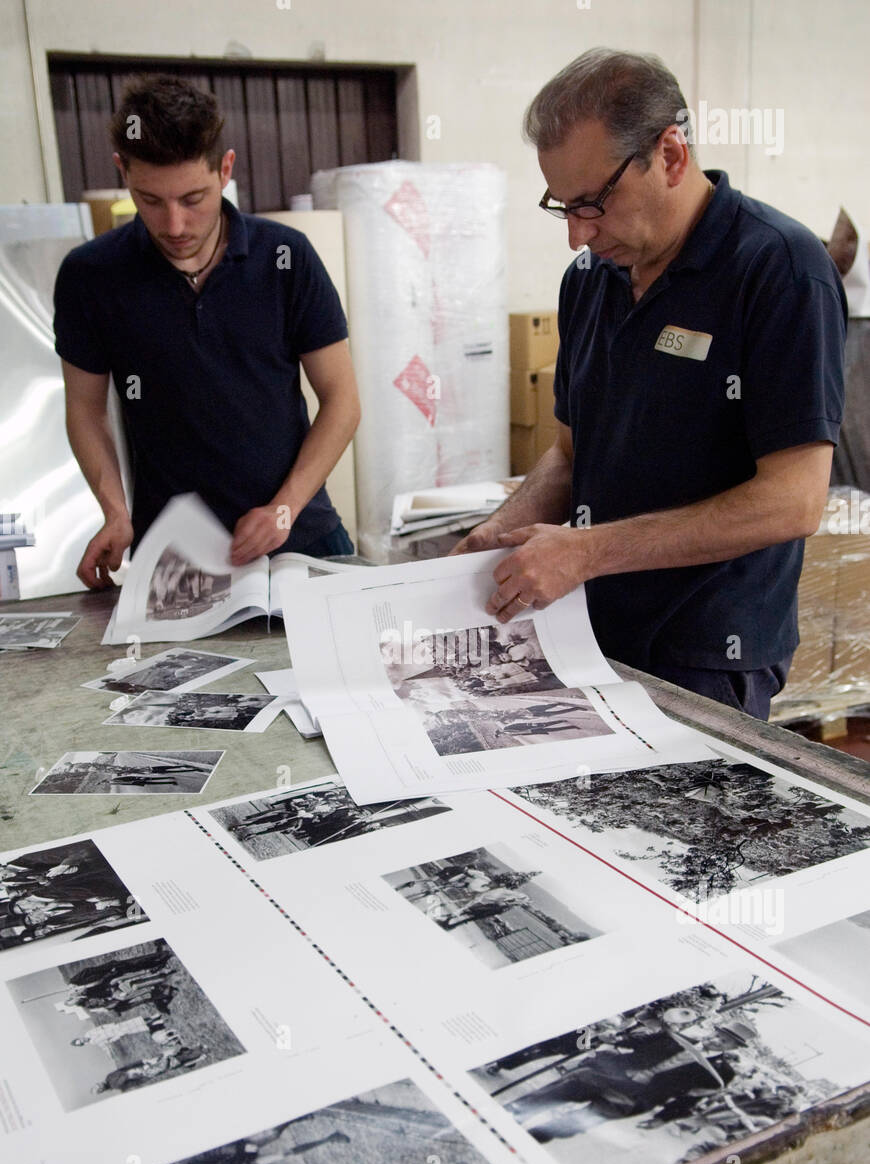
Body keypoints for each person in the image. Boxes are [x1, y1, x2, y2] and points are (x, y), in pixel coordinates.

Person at [454, 49, 847, 720]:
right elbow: (572, 456)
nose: (578, 235)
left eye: (593, 204)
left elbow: (794, 501)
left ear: (670, 154)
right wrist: (500, 530)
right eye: (562, 207)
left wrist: (586, 551)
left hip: (705, 653)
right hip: (589, 624)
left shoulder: (779, 270)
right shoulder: (590, 280)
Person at [54, 75, 361, 589]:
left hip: (300, 535)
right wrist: (113, 511)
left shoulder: (286, 258)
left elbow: (342, 400)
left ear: (225, 169)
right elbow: (84, 411)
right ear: (121, 170)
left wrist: (283, 510)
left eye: (193, 198)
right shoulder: (91, 276)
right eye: (149, 200)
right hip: (173, 553)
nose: (174, 224)